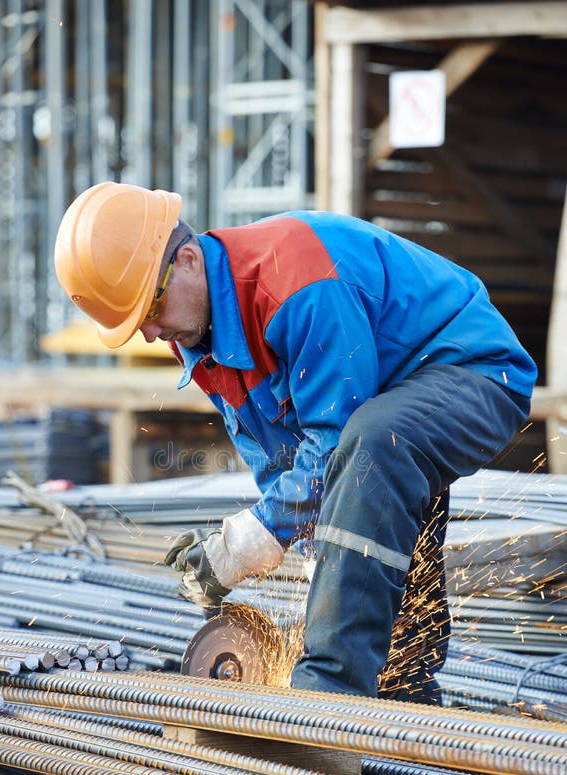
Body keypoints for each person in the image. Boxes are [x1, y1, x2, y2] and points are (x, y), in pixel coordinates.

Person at [55, 181, 537, 704]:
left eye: (150, 309)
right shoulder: (196, 332)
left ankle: (325, 703)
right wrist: (315, 551)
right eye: (137, 326)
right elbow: (280, 457)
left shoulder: (294, 279)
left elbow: (333, 443)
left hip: (476, 372)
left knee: (375, 445)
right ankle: (406, 698)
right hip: (388, 404)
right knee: (376, 489)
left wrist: (242, 544)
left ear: (189, 259)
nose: (151, 334)